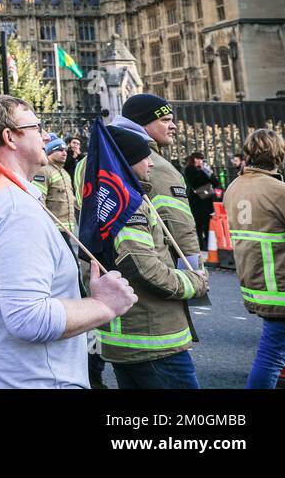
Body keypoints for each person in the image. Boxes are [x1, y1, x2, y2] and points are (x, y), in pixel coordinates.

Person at [0, 95, 136, 388]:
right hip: (34, 380)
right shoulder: (16, 211)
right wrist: (104, 305)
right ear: (10, 137)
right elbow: (29, 317)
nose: (46, 135)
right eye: (37, 126)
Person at [97, 126, 209, 388]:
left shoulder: (117, 195)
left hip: (134, 337)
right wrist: (193, 283)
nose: (150, 162)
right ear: (127, 160)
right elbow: (143, 265)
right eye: (144, 156)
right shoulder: (127, 202)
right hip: (152, 337)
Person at [223, 129, 285, 388]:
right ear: (280, 154)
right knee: (272, 356)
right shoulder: (280, 191)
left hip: (257, 283)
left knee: (280, 348)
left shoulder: (234, 187)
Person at [111, 93, 200, 268]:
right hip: (155, 270)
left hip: (104, 271)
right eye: (165, 120)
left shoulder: (93, 158)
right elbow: (180, 226)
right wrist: (194, 274)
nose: (173, 126)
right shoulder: (156, 165)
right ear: (142, 123)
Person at [35, 135, 77, 236]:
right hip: (53, 229)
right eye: (59, 150)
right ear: (50, 152)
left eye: (65, 150)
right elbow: (39, 201)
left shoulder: (64, 173)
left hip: (67, 229)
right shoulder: (43, 171)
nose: (64, 153)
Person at [183, 151, 221, 248]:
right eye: (197, 158)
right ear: (193, 159)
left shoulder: (205, 170)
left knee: (208, 221)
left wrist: (209, 173)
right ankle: (200, 243)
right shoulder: (190, 169)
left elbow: (216, 183)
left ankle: (208, 242)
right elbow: (196, 182)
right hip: (196, 200)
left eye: (201, 159)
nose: (200, 161)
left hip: (207, 198)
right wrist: (204, 173)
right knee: (198, 222)